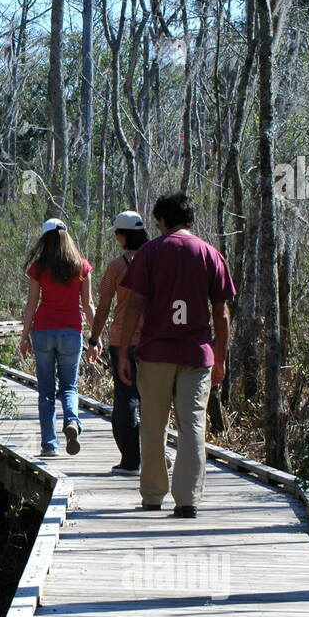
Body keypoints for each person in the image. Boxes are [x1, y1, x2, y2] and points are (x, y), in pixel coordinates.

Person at [118, 192, 236, 517]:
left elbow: (133, 306)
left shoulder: (150, 252)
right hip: (196, 355)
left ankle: (153, 496)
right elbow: (221, 313)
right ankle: (187, 501)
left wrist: (126, 351)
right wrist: (221, 358)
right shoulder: (211, 254)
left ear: (163, 221)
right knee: (192, 425)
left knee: (153, 425)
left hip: (155, 352)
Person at [20, 218, 95, 458]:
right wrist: (96, 336)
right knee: (69, 387)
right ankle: (72, 421)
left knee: (46, 391)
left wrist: (24, 337)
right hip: (72, 333)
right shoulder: (81, 267)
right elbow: (89, 304)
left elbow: (31, 305)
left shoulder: (39, 268)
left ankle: (49, 445)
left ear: (45, 240)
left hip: (43, 332)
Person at [84, 211, 148, 475]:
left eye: (118, 234)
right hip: (153, 341)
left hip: (122, 340)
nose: (117, 238)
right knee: (153, 399)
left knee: (126, 400)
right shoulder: (156, 261)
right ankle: (154, 456)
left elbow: (103, 306)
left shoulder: (116, 267)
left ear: (124, 236)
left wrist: (94, 338)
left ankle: (131, 461)